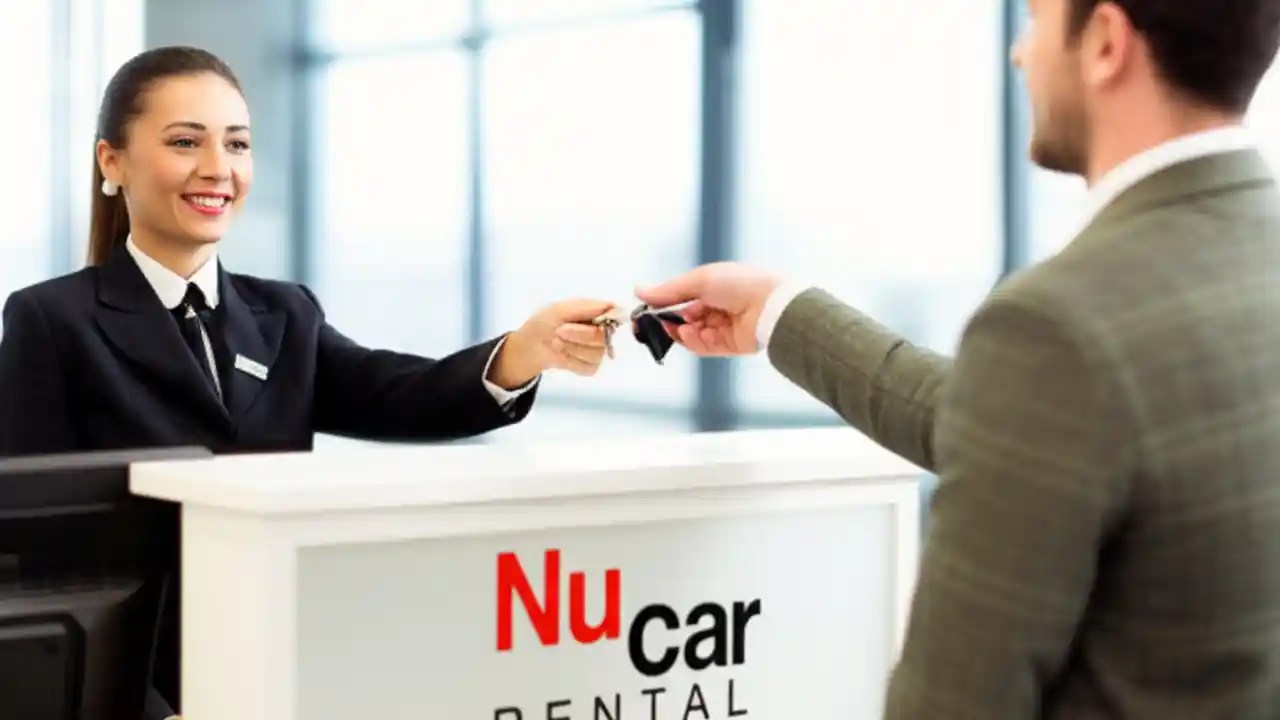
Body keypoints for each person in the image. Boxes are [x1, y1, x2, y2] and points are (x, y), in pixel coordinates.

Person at [639, 0, 1280, 717]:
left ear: (1105, 42)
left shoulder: (1061, 325)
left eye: (1036, 19)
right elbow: (1031, 429)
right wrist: (778, 310)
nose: (1019, 53)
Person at [0, 45, 612, 717]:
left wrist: (526, 350)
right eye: (185, 142)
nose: (219, 168)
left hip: (281, 671)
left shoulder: (287, 314)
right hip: (129, 694)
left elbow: (401, 394)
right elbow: (35, 557)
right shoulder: (50, 321)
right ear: (112, 161)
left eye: (238, 144)